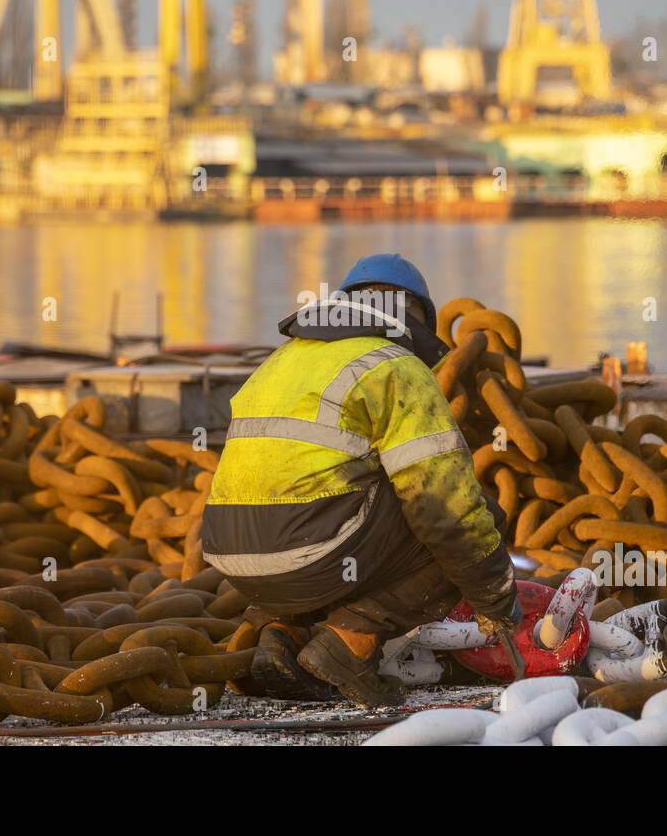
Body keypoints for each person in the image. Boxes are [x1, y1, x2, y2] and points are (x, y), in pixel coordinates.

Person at [200, 253, 519, 705]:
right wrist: (494, 597)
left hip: (232, 556)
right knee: (471, 518)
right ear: (415, 318)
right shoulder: (394, 366)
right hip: (309, 553)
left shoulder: (281, 360)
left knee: (339, 496)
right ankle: (349, 643)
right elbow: (447, 512)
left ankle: (280, 635)